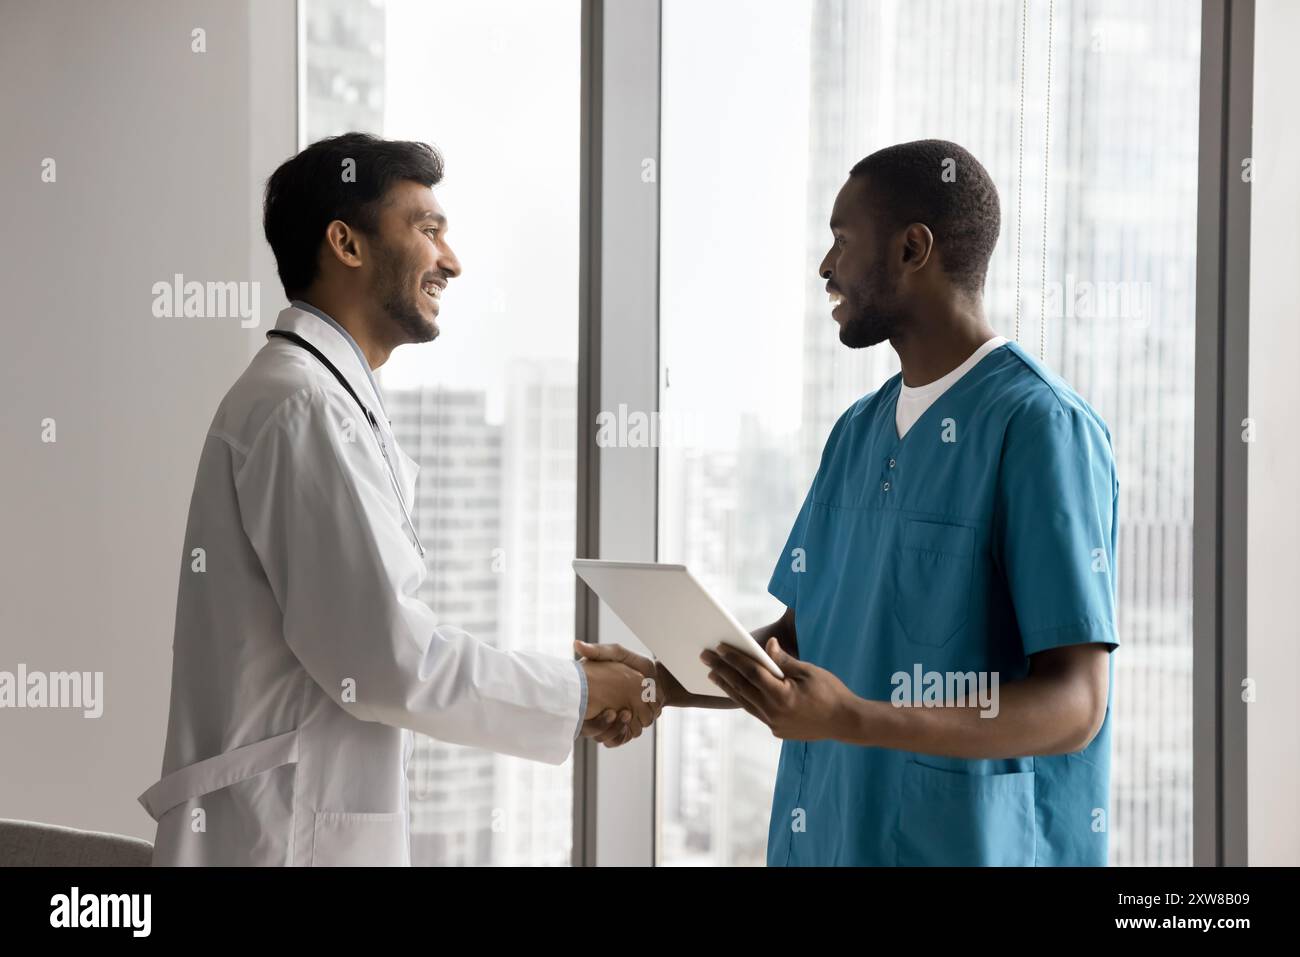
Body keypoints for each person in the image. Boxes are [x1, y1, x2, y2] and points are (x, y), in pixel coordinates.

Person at [580, 139, 1119, 866]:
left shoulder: (1038, 427)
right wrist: (654, 681)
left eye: (841, 240)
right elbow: (801, 648)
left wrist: (859, 718)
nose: (826, 266)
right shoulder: (857, 432)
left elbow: (1076, 706)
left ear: (912, 248)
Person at [140, 133, 657, 866]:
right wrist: (576, 689)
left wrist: (580, 693)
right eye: (428, 229)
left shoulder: (323, 397)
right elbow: (389, 659)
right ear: (346, 244)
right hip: (280, 841)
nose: (451, 260)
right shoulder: (301, 405)